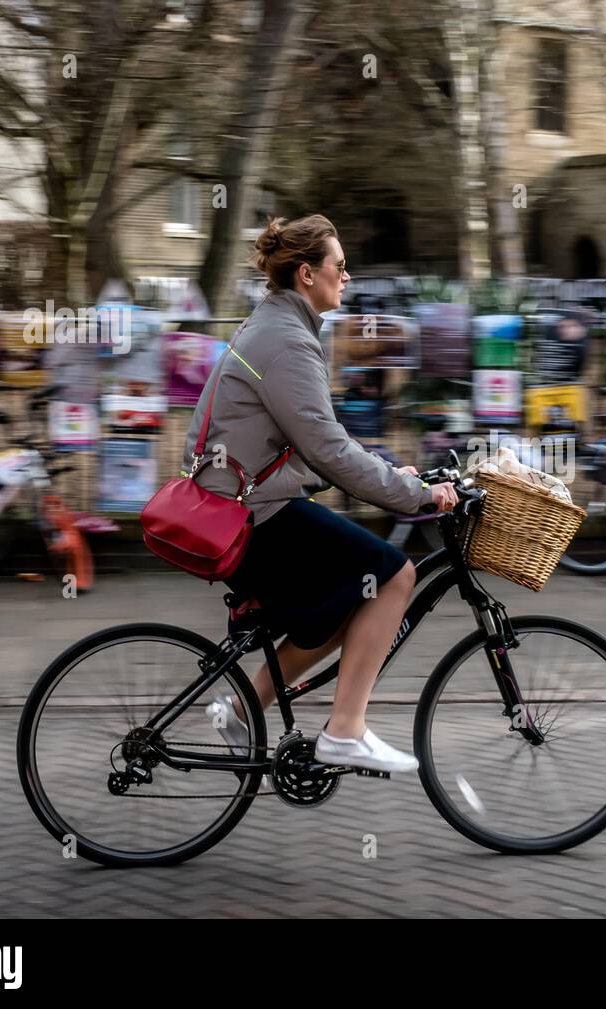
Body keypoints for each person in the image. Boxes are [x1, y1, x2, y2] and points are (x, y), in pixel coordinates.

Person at [185, 214, 458, 773]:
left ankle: (242, 709)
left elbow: (314, 440)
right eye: (339, 266)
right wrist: (415, 497)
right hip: (251, 515)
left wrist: (391, 473)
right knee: (394, 572)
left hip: (244, 502)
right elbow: (327, 451)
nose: (347, 276)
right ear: (307, 274)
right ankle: (345, 731)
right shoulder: (287, 342)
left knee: (351, 595)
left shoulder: (280, 328)